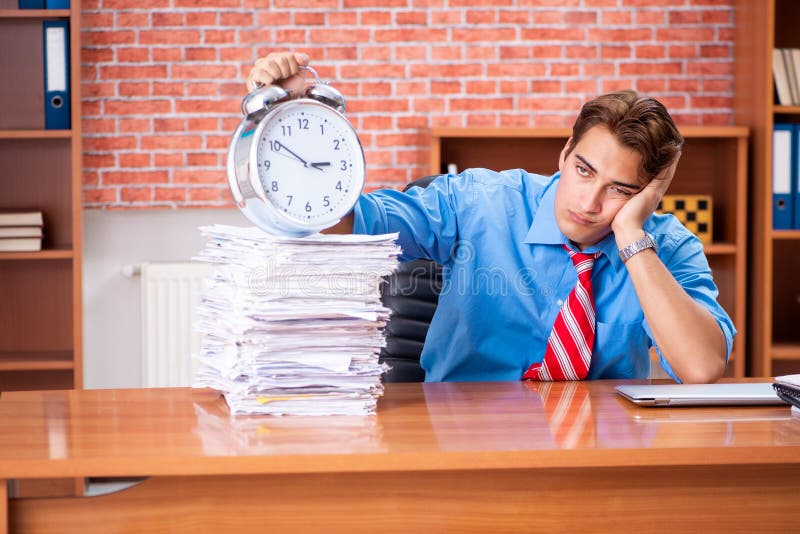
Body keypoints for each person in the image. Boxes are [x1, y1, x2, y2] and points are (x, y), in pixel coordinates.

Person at [246, 52, 735, 384]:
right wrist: (289, 123)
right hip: (461, 441)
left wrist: (630, 235)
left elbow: (702, 367)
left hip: (596, 454)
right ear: (565, 152)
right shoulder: (482, 201)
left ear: (648, 194)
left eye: (619, 191)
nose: (589, 202)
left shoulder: (666, 248)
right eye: (584, 171)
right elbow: (352, 224)